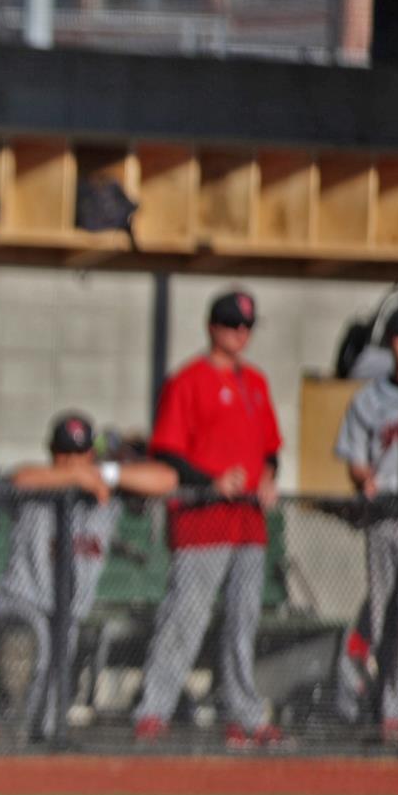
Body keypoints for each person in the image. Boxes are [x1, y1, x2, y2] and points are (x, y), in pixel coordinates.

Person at [0, 412, 177, 745]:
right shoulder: (40, 483)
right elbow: (20, 478)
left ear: (91, 453)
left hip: (67, 612)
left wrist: (104, 473)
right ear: (52, 451)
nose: (73, 461)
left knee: (62, 651)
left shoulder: (106, 483)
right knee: (43, 641)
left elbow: (166, 479)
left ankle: (38, 731)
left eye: (80, 454)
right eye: (65, 454)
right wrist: (76, 478)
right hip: (19, 603)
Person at [132, 289, 285, 748]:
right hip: (203, 519)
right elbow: (168, 452)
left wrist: (269, 478)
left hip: (248, 523)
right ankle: (153, 710)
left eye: (246, 326)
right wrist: (212, 482)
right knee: (186, 618)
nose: (239, 333)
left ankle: (243, 712)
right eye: (230, 324)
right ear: (212, 327)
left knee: (243, 623)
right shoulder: (188, 380)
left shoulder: (255, 382)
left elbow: (271, 449)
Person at [334, 300, 398, 754]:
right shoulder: (370, 397)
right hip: (384, 516)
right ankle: (382, 706)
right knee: (381, 617)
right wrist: (362, 475)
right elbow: (355, 456)